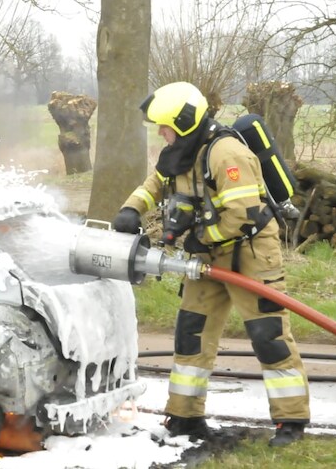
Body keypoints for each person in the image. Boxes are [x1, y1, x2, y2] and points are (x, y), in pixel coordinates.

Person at [112, 81, 310, 447]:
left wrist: (201, 237)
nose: (160, 132)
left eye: (164, 125)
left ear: (184, 122)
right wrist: (130, 209)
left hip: (250, 252)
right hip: (206, 255)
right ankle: (185, 416)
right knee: (192, 332)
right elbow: (156, 182)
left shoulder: (226, 153)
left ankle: (291, 421)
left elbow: (242, 214)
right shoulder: (182, 150)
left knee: (270, 336)